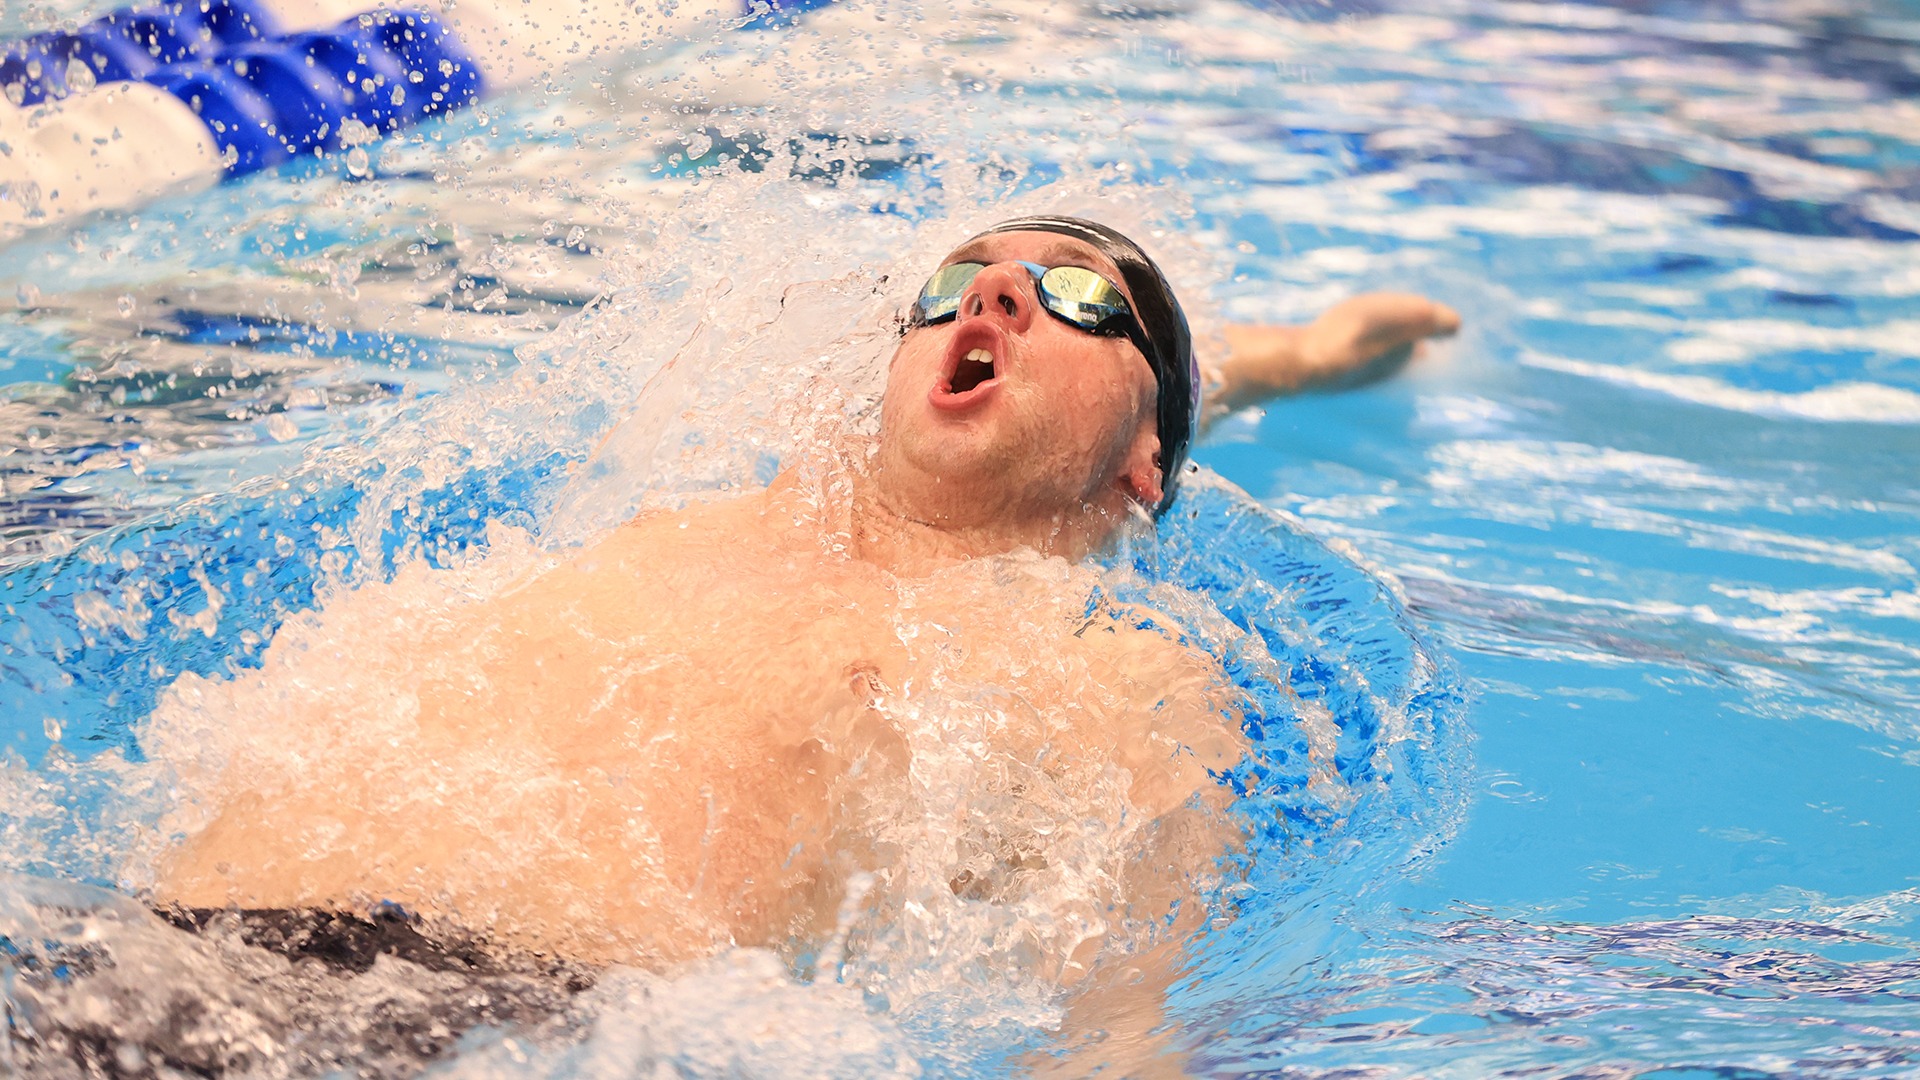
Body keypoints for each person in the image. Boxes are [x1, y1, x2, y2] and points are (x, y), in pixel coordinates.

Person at [144, 216, 1457, 982]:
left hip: (438, 1013)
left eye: (1074, 300)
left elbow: (1115, 1021)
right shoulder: (760, 497)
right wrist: (1292, 355)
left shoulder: (1100, 670)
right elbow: (1135, 397)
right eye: (958, 285)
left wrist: (1315, 358)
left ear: (1141, 467)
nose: (993, 294)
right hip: (137, 931)